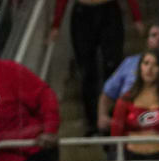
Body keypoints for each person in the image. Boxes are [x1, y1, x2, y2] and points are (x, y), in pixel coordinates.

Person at [48, 0, 143, 136]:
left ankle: (114, 119)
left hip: (109, 12)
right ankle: (92, 123)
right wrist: (56, 24)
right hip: (83, 15)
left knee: (113, 68)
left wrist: (136, 16)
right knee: (87, 72)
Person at [98, 24, 159, 135]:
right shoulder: (130, 64)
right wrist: (103, 116)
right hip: (129, 129)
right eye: (154, 35)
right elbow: (109, 93)